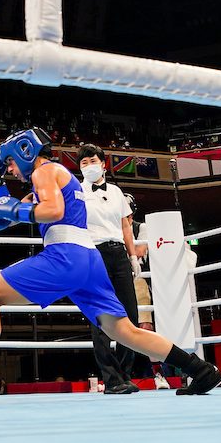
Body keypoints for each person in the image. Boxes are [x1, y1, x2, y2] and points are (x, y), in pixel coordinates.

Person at [0, 128, 221, 397]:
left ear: (24, 153)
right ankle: (200, 370)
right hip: (89, 259)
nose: (10, 170)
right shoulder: (58, 176)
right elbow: (7, 214)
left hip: (65, 255)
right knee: (123, 330)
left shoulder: (44, 171)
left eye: (10, 163)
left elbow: (51, 211)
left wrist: (14, 208)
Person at [78, 144, 141, 394]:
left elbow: (126, 226)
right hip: (93, 254)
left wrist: (133, 256)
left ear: (103, 163)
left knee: (130, 316)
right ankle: (111, 379)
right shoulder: (77, 191)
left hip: (119, 256)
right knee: (101, 318)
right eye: (83, 163)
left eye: (92, 160)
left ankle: (125, 375)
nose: (88, 166)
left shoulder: (116, 191)